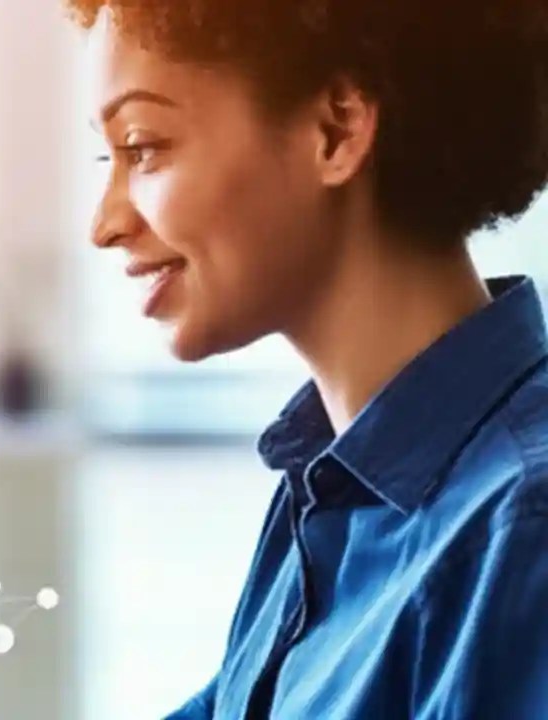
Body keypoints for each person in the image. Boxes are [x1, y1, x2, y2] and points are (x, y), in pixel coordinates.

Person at [68, 0, 548, 717]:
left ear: (336, 129)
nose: (104, 225)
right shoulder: (331, 492)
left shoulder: (522, 534)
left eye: (145, 147)